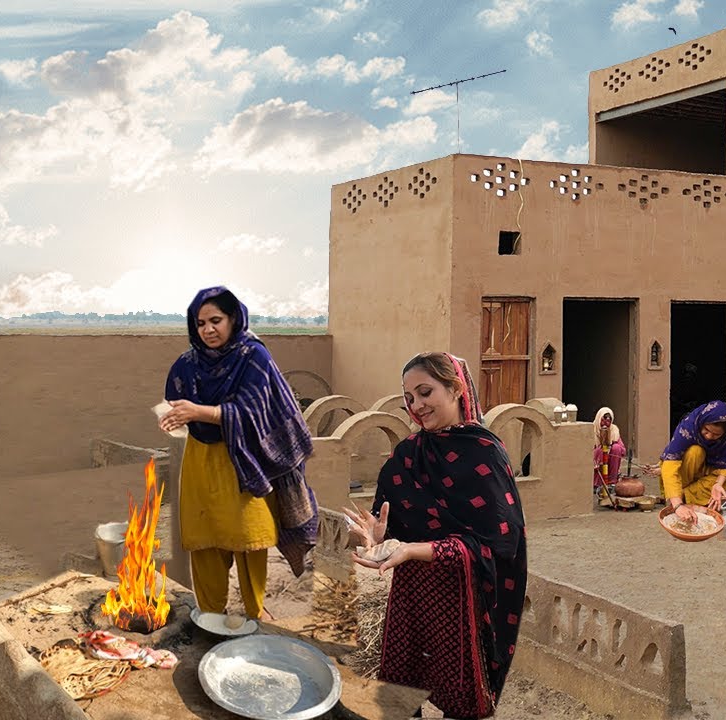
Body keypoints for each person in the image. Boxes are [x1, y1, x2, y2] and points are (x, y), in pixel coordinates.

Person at [346, 352, 527, 719]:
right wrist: (378, 536)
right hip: (412, 595)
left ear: (456, 388)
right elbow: (391, 523)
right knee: (400, 697)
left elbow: (501, 541)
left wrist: (416, 550)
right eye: (409, 398)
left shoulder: (484, 454)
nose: (417, 406)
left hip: (462, 600)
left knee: (461, 704)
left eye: (425, 392)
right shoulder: (408, 454)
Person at [159, 286, 319, 620]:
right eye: (200, 323)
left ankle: (254, 616)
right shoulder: (189, 363)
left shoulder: (253, 357)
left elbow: (255, 410)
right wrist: (178, 414)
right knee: (205, 540)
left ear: (233, 319)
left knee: (249, 539)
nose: (207, 330)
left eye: (215, 320)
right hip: (201, 459)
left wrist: (199, 411)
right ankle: (211, 616)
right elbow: (176, 396)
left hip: (245, 461)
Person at [660, 400, 726, 522]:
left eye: (716, 435)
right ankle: (676, 497)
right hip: (686, 472)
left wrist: (718, 484)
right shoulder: (688, 427)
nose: (709, 436)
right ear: (702, 422)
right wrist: (677, 505)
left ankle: (685, 495)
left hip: (706, 471)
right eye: (706, 430)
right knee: (695, 451)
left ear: (725, 434)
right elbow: (670, 465)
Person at [593, 406, 627, 490]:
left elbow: (623, 450)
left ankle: (612, 482)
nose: (605, 423)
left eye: (608, 420)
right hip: (596, 461)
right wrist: (600, 450)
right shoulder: (592, 429)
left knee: (616, 448)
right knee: (601, 450)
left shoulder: (614, 430)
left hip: (610, 460)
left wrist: (611, 447)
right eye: (603, 420)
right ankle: (598, 483)